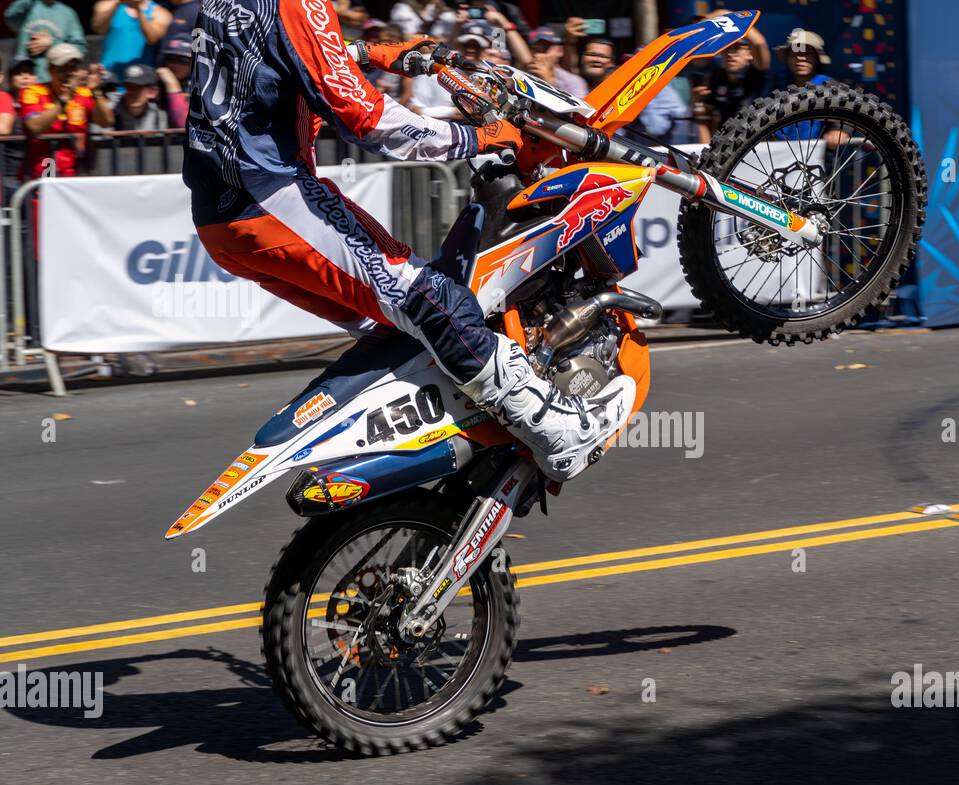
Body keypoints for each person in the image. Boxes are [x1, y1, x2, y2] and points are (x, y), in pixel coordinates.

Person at [184, 0, 633, 481]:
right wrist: (479, 138)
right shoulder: (299, 4)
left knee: (401, 332)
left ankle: (438, 446)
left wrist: (376, 55)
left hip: (218, 219)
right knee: (435, 300)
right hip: (267, 199)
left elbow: (284, 61)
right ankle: (553, 429)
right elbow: (370, 122)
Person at [18, 43, 113, 180]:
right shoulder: (33, 92)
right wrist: (64, 99)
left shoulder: (84, 93)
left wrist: (96, 91)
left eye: (73, 68)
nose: (69, 74)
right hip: (45, 169)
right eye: (62, 69)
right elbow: (34, 127)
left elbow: (107, 121)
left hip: (77, 171)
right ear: (50, 70)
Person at [5, 0, 87, 83]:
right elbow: (10, 17)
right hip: (25, 79)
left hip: (52, 82)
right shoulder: (27, 6)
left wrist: (53, 44)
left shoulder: (68, 14)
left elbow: (80, 49)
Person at [92, 0, 173, 82]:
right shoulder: (107, 5)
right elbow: (99, 28)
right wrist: (118, 3)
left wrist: (139, 10)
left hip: (140, 80)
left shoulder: (160, 13)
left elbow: (152, 38)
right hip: (108, 76)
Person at [112, 62, 185, 129]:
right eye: (129, 86)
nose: (132, 92)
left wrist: (171, 83)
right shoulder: (112, 111)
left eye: (138, 87)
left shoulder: (160, 116)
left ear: (152, 92)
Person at [525, 25, 586, 99]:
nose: (538, 55)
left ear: (559, 51)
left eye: (544, 49)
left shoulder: (574, 82)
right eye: (535, 49)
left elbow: (578, 110)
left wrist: (548, 82)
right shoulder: (521, 73)